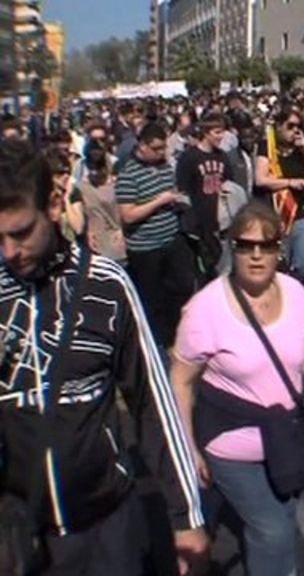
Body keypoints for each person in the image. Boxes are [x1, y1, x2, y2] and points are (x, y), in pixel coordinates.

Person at [0, 139, 208, 575]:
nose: (8, 252)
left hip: (105, 527)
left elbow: (153, 402)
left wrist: (186, 516)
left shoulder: (107, 285)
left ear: (54, 205)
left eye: (20, 233)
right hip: (18, 534)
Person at [170, 201, 304, 576]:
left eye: (265, 246)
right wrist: (189, 451)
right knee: (272, 528)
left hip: (286, 437)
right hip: (231, 445)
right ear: (231, 247)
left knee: (282, 516)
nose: (255, 255)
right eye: (245, 245)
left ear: (278, 249)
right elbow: (181, 384)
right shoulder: (203, 311)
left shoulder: (296, 294)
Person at [115, 122, 196, 349]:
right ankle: (162, 344)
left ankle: (181, 334)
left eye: (164, 148)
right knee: (155, 300)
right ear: (142, 145)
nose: (162, 153)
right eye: (157, 149)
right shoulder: (128, 175)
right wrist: (159, 201)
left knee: (182, 287)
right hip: (146, 248)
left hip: (171, 239)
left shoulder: (164, 167)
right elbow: (128, 215)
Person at [255, 108, 304, 284]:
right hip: (275, 213)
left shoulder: (300, 149)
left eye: (298, 126)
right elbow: (260, 180)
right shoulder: (266, 146)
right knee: (278, 263)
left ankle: (293, 286)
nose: (295, 131)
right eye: (290, 126)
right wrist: (290, 182)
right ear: (278, 126)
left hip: (300, 212)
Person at [176, 112, 236, 281]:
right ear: (206, 133)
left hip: (222, 222)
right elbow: (183, 191)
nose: (221, 136)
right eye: (217, 132)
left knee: (225, 271)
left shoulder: (222, 156)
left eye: (222, 131)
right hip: (200, 225)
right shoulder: (189, 157)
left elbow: (230, 185)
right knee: (206, 274)